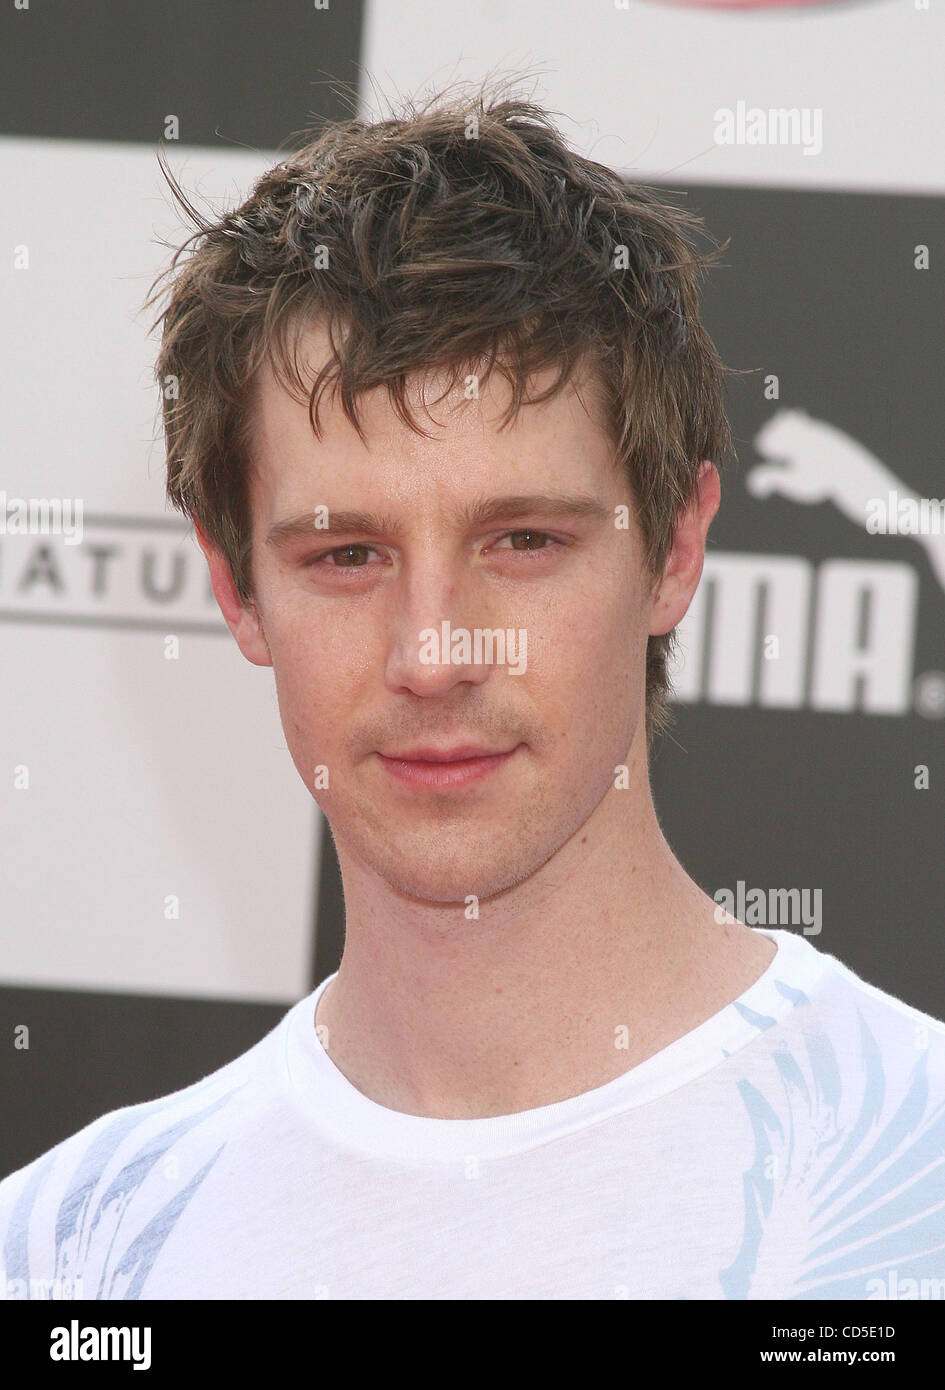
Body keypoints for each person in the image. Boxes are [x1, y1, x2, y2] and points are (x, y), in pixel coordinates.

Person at [2, 82, 944, 1302]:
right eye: (347, 556)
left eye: (523, 541)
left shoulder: (915, 1173)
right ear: (236, 588)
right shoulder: (68, 1255)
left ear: (673, 551)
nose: (436, 653)